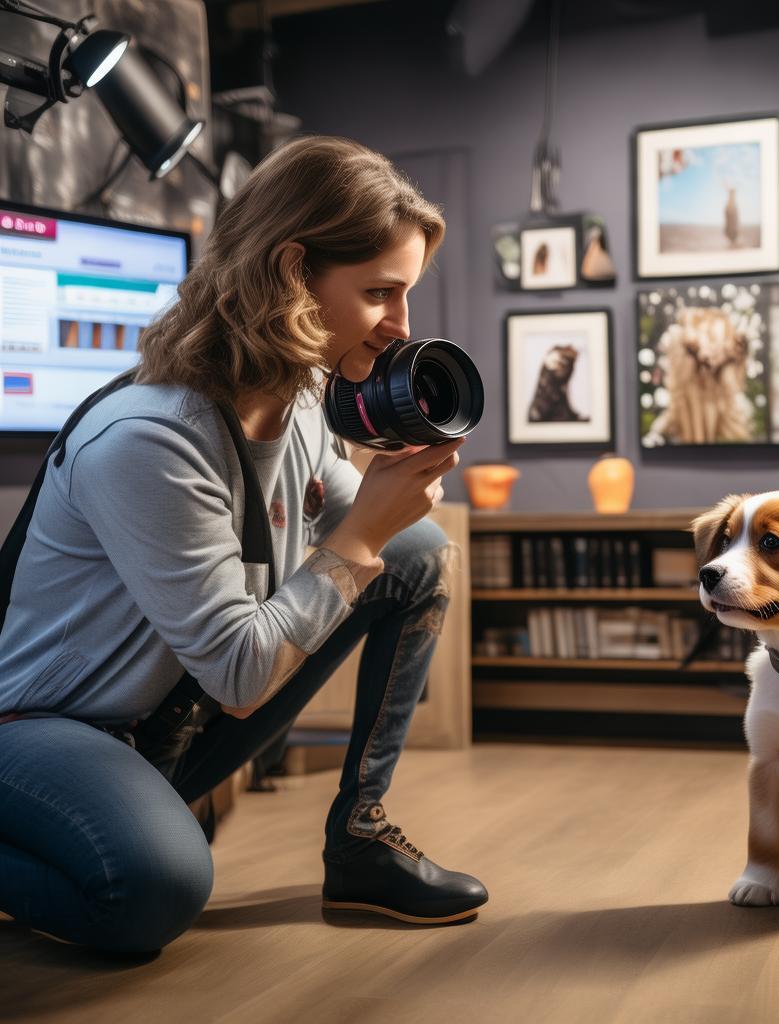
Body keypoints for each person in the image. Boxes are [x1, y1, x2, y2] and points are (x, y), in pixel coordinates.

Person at [0, 136, 487, 953]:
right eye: (380, 293)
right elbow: (239, 675)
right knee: (155, 894)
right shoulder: (150, 439)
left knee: (418, 553)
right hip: (41, 725)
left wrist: (383, 495)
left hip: (164, 718)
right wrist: (364, 525)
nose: (401, 325)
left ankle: (360, 839)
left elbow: (370, 547)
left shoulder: (296, 402)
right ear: (294, 272)